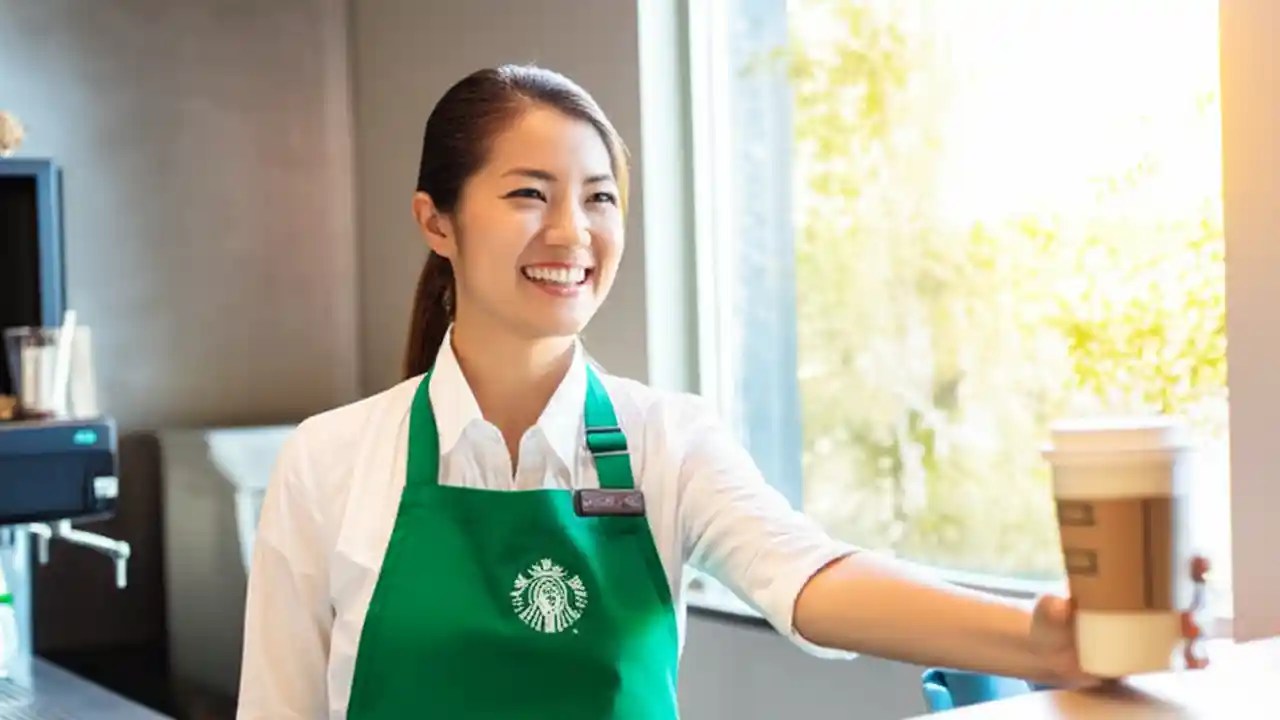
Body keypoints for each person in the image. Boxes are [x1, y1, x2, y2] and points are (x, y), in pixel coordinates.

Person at [236, 64, 1205, 719]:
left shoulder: (667, 441)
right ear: (435, 221)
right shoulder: (330, 462)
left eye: (598, 197)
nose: (572, 234)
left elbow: (812, 580)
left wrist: (1042, 639)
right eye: (529, 194)